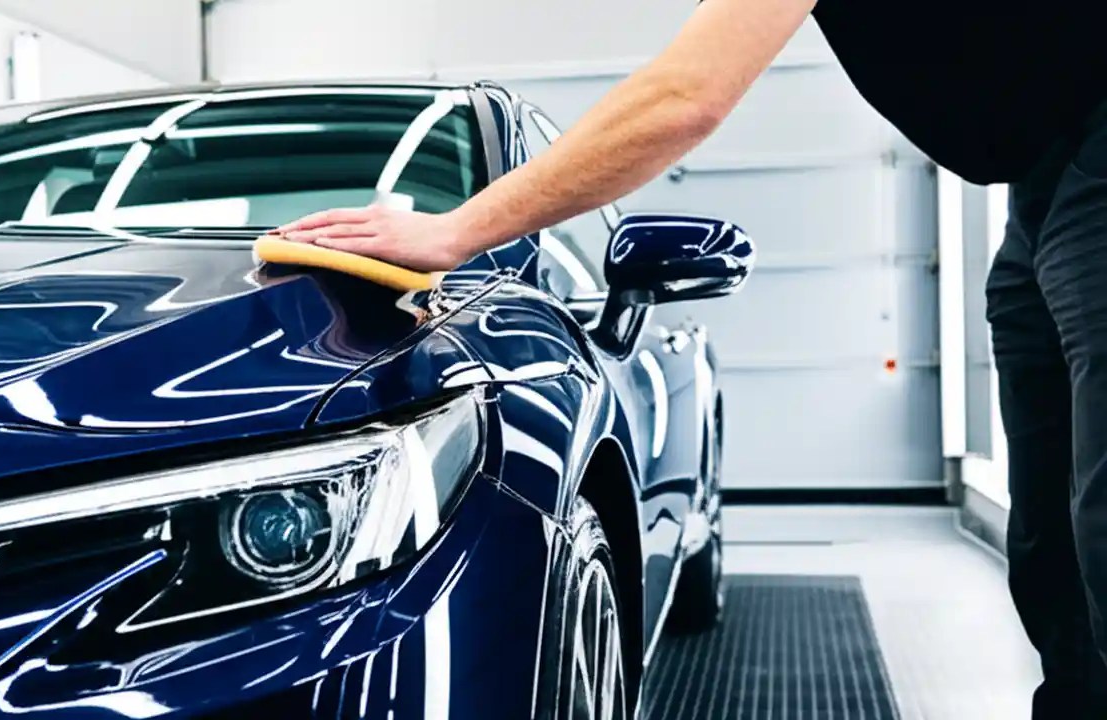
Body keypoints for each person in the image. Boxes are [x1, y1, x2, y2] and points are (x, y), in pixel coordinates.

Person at [277, 1, 1107, 716]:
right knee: (1050, 548)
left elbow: (684, 95)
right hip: (1039, 175)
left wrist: (452, 232)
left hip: (1089, 139)